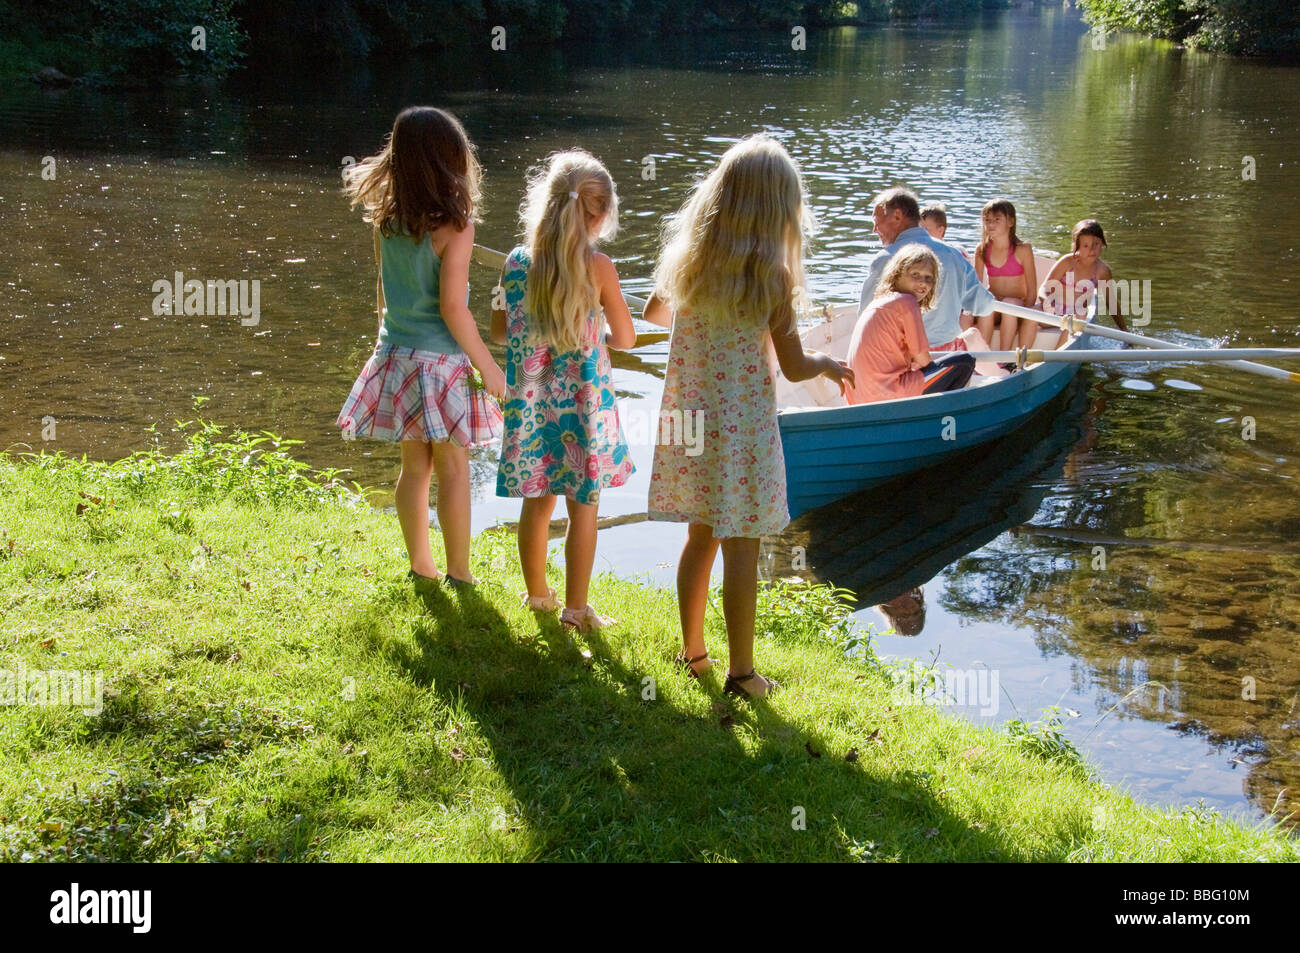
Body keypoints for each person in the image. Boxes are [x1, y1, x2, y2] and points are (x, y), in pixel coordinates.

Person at [643, 135, 854, 699]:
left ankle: (693, 652)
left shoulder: (691, 262)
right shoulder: (771, 277)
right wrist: (828, 363)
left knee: (701, 534)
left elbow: (654, 312)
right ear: (778, 210)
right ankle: (742, 673)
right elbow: (791, 361)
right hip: (741, 427)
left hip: (691, 418)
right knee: (743, 544)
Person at [336, 106, 505, 587]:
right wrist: (490, 368)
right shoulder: (456, 229)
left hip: (396, 356)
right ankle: (460, 572)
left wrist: (381, 347)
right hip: (440, 364)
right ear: (450, 164)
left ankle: (420, 566)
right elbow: (454, 309)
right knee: (453, 469)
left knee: (414, 470)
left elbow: (385, 292)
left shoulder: (386, 223)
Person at [491, 150, 636, 631]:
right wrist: (597, 340)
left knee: (538, 502)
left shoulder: (515, 262)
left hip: (532, 406)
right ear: (598, 216)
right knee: (583, 507)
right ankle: (576, 610)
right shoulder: (599, 268)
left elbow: (499, 332)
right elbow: (628, 338)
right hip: (582, 409)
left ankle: (538, 597)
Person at [859, 187, 998, 354]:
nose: (874, 229)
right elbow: (985, 305)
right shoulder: (953, 255)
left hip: (901, 360)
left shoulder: (884, 259)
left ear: (897, 216)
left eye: (876, 221)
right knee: (969, 339)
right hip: (946, 359)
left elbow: (865, 321)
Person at [846, 245, 976, 405]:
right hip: (887, 393)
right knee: (964, 361)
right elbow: (923, 360)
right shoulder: (907, 303)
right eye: (915, 275)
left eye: (929, 278)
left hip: (859, 398)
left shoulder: (879, 301)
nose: (923, 283)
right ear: (896, 274)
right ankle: (945, 417)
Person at [1037, 219, 1129, 347]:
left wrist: (1124, 331)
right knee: (1028, 316)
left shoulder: (1102, 271)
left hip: (1075, 315)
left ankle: (1056, 357)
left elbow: (1111, 303)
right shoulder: (1067, 262)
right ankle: (1014, 359)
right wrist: (1048, 306)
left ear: (1102, 243)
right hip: (1053, 310)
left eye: (1096, 244)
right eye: (1086, 245)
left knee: (1075, 319)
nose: (1091, 250)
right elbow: (1044, 289)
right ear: (1076, 246)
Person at [973, 199, 1037, 351]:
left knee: (1009, 303)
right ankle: (982, 357)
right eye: (987, 220)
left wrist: (1025, 316)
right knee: (987, 303)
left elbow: (1032, 290)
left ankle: (1004, 356)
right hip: (995, 305)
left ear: (1010, 222)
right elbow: (976, 286)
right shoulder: (982, 249)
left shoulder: (1023, 249)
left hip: (1016, 305)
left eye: (997, 219)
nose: (991, 224)